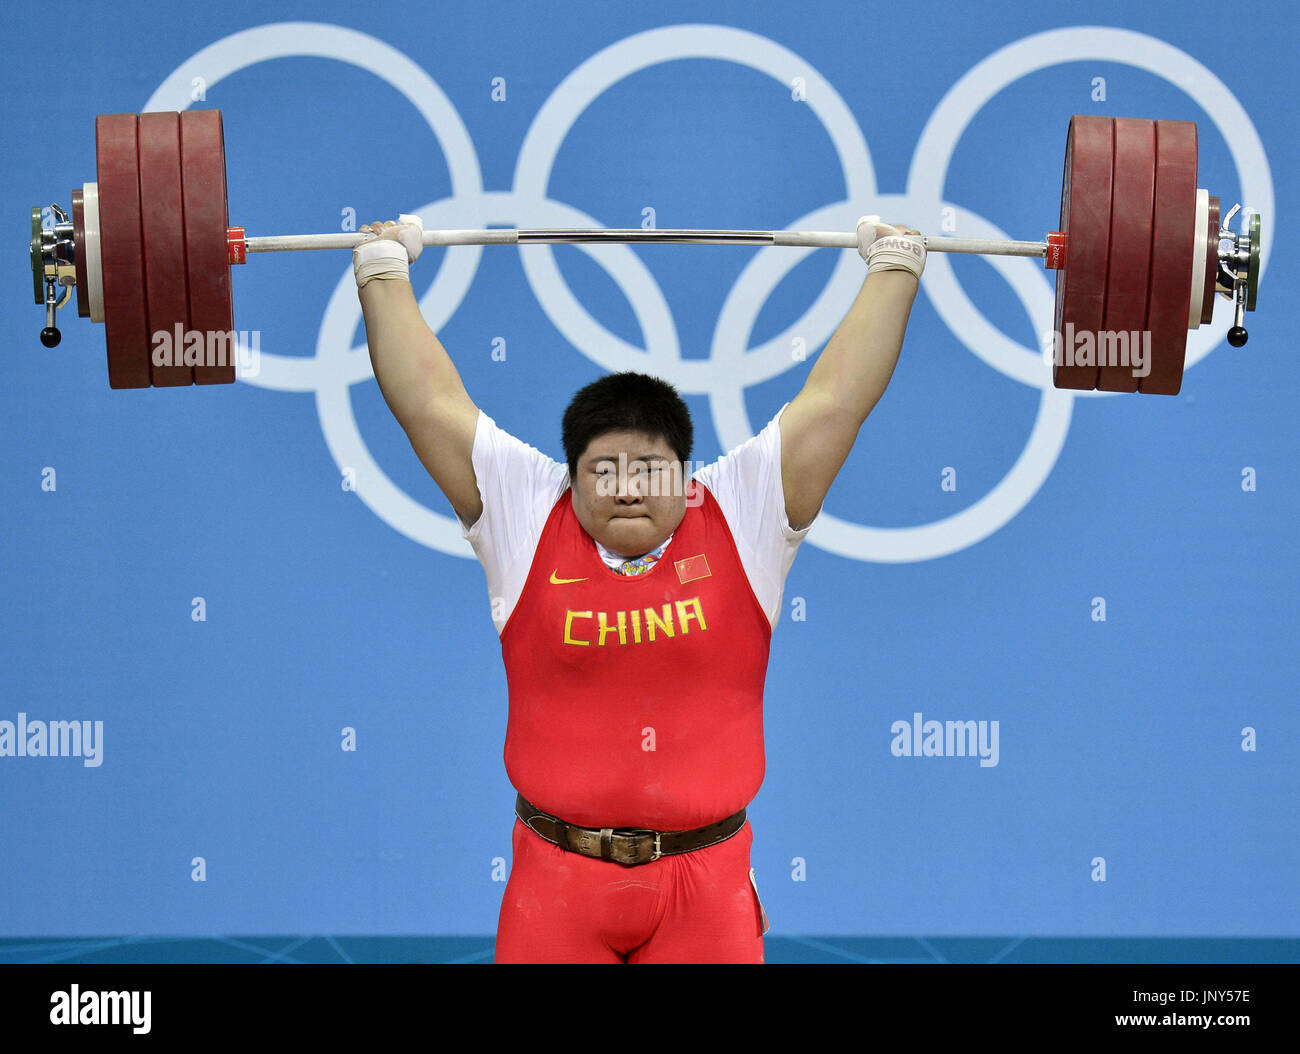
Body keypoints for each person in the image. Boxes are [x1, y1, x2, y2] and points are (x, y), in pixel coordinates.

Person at [354, 213, 925, 962]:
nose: (627, 489)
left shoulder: (742, 511)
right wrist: (383, 273)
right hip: (555, 885)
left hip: (705, 884)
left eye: (649, 468)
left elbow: (836, 401)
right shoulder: (527, 512)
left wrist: (896, 265)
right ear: (570, 475)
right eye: (605, 470)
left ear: (686, 475)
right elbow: (428, 402)